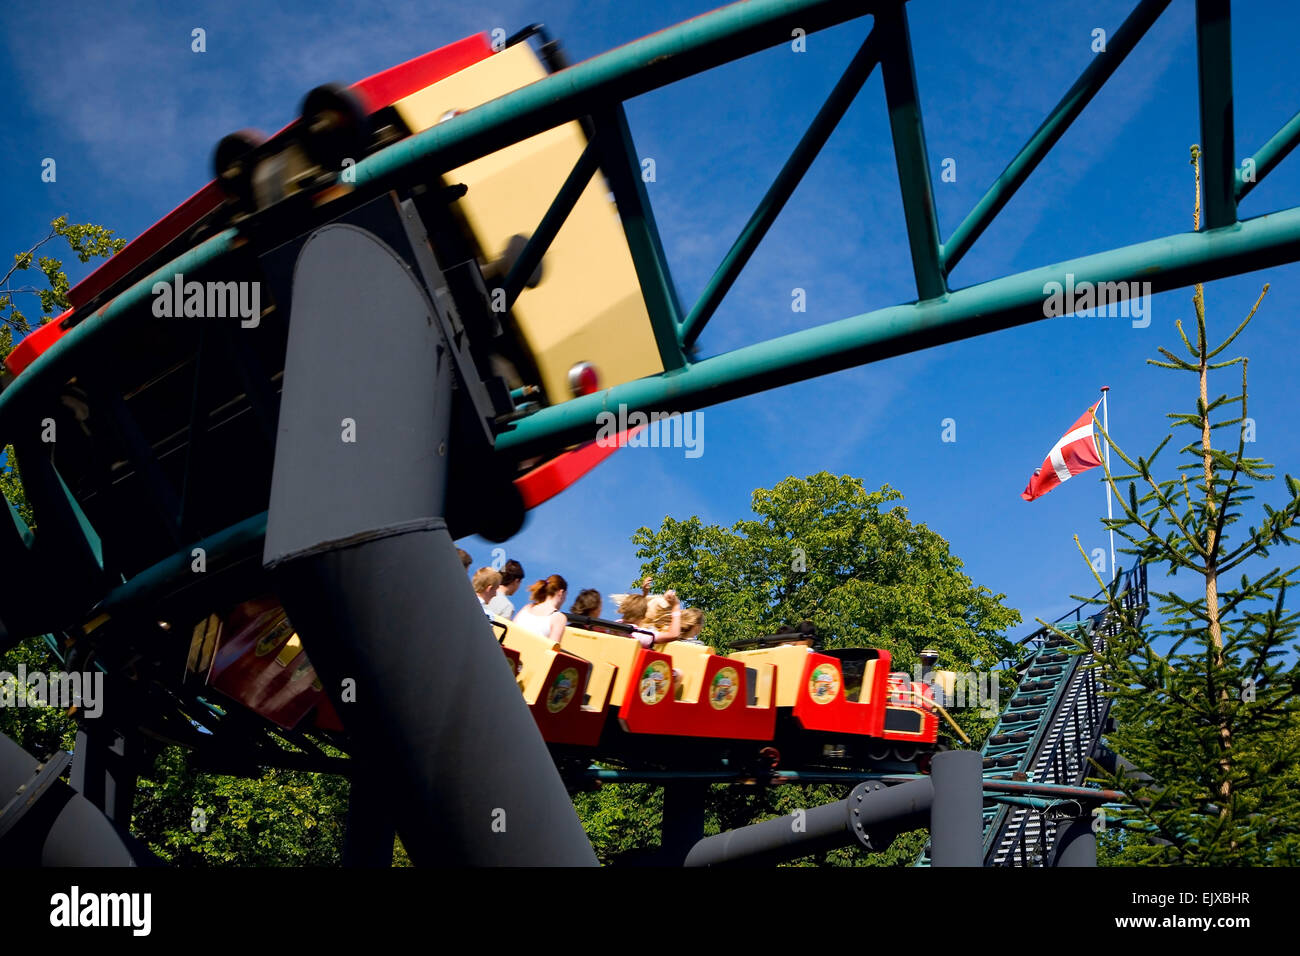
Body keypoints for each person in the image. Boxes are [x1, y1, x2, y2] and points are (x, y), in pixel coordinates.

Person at [513, 574, 568, 642]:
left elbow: (511, 631)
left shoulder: (527, 608)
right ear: (561, 592)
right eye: (566, 595)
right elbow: (553, 649)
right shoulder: (559, 618)